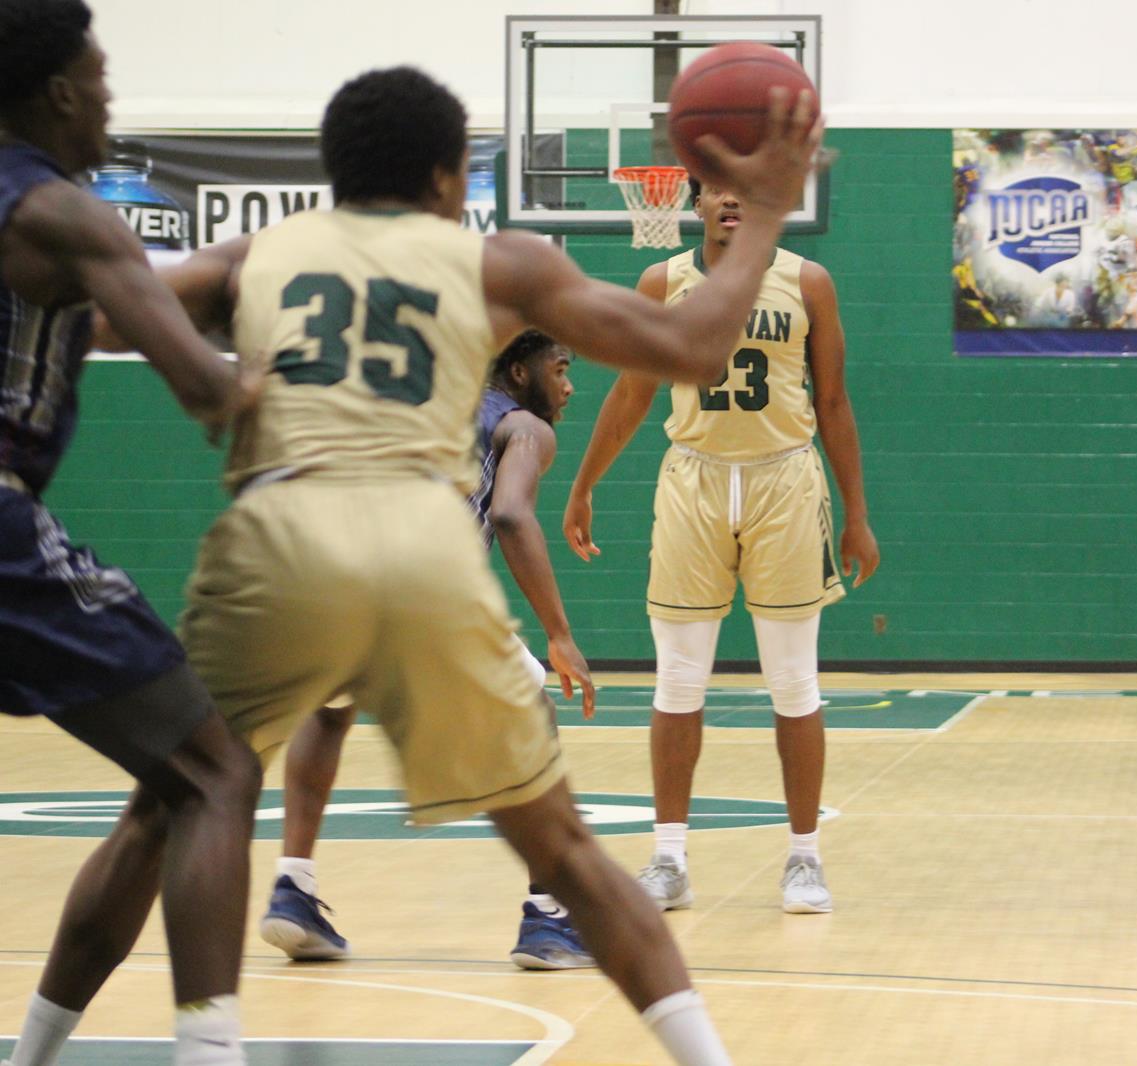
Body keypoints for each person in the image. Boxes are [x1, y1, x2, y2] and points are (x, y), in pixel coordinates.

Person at [95, 65, 821, 1066]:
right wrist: (768, 215)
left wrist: (191, 359)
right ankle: (659, 1012)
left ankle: (209, 1028)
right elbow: (687, 345)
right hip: (422, 551)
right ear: (449, 180)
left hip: (278, 536)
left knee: (199, 790)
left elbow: (104, 309)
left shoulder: (261, 253)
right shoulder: (490, 270)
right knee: (558, 840)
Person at [0, 3, 263, 1065]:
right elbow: (204, 387)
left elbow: (107, 319)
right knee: (213, 773)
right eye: (102, 76)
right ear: (61, 90)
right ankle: (211, 1055)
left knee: (175, 781)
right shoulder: (65, 211)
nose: (114, 97)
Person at [562, 175, 879, 916]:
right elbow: (631, 392)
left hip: (786, 482)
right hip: (693, 481)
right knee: (678, 679)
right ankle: (668, 858)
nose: (734, 201)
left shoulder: (809, 282)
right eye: (719, 192)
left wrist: (857, 511)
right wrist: (583, 485)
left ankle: (805, 858)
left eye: (749, 190)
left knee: (794, 681)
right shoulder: (661, 280)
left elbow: (833, 401)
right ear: (696, 204)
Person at [257, 330, 599, 971]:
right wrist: (558, 633)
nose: (570, 385)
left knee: (329, 705)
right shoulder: (524, 427)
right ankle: (549, 919)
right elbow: (512, 516)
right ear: (520, 374)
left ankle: (292, 889)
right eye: (561, 368)